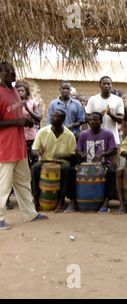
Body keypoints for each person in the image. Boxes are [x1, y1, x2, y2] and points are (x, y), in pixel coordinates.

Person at [0, 61, 48, 230]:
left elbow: (17, 113)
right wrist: (16, 122)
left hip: (19, 145)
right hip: (5, 147)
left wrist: (24, 122)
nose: (12, 73)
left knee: (23, 182)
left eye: (13, 70)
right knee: (3, 185)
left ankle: (30, 214)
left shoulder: (13, 91)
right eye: (8, 71)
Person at [31, 109, 78, 213]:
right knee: (34, 168)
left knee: (67, 169)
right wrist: (38, 153)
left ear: (62, 120)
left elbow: (73, 155)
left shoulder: (69, 135)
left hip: (61, 162)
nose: (52, 118)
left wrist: (62, 156)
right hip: (45, 160)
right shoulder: (43, 132)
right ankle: (35, 199)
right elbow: (34, 150)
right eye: (51, 116)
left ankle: (61, 200)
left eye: (55, 116)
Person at [76, 112, 117, 213]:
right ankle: (75, 201)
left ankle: (106, 201)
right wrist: (82, 154)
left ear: (101, 121)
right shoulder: (83, 134)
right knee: (72, 172)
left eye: (95, 120)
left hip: (104, 165)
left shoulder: (108, 134)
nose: (92, 122)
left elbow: (114, 150)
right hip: (86, 165)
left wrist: (101, 155)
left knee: (111, 173)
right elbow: (78, 150)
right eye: (90, 120)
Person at [85, 76, 124, 169]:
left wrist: (110, 114)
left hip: (113, 139)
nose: (106, 86)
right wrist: (98, 117)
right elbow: (87, 117)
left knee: (114, 167)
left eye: (108, 84)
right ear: (100, 85)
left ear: (111, 85)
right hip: (95, 139)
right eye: (104, 84)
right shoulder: (92, 99)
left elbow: (121, 119)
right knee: (95, 166)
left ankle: (114, 184)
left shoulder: (118, 100)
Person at [15, 81, 43, 167]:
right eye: (18, 91)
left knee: (32, 161)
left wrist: (27, 109)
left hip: (30, 136)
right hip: (17, 136)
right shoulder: (13, 104)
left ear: (26, 91)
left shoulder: (33, 102)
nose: (20, 93)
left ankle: (32, 179)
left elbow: (39, 118)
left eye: (22, 91)